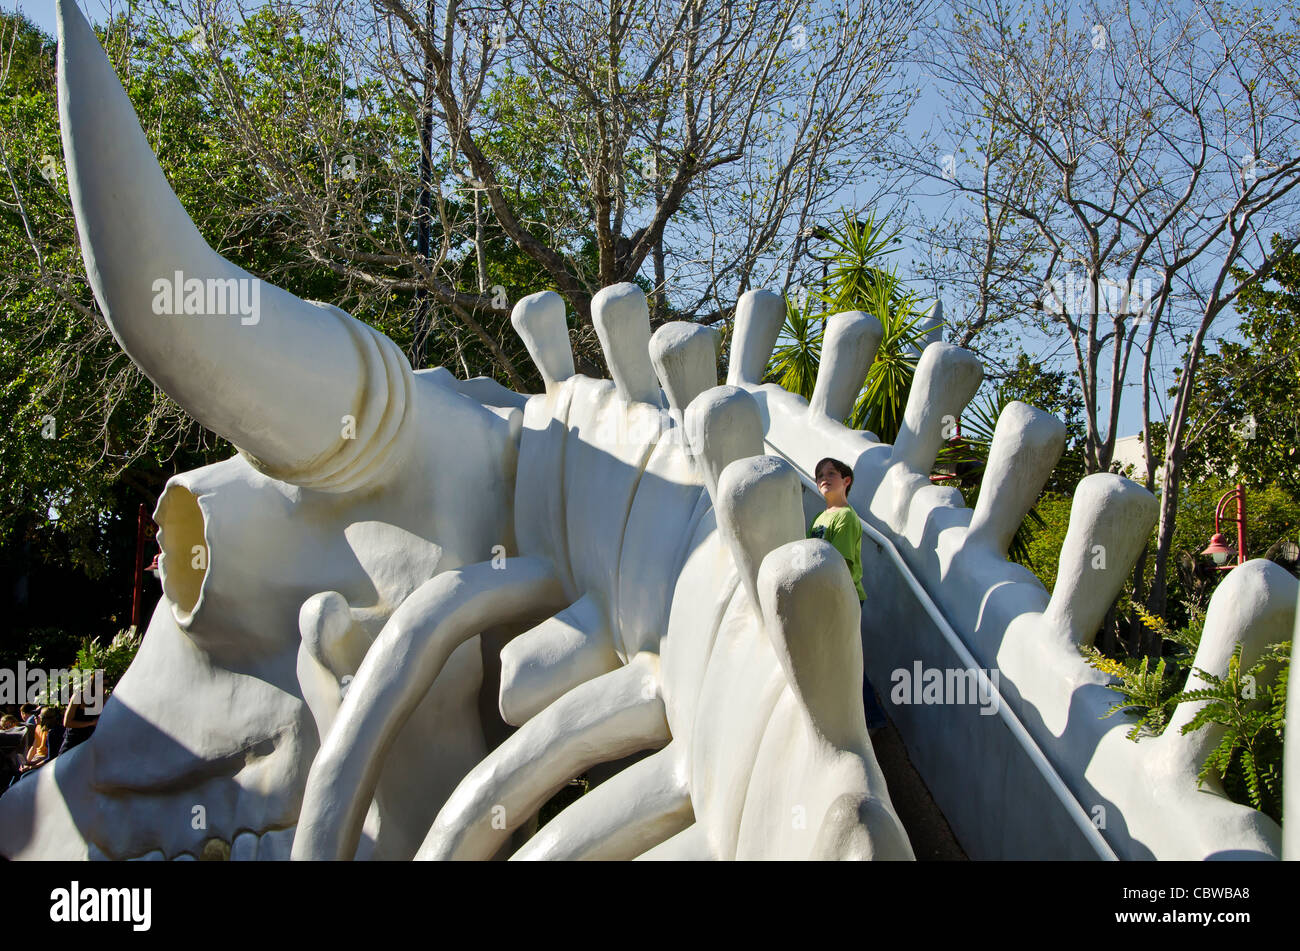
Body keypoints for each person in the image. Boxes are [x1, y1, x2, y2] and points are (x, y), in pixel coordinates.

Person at [809, 457, 888, 733]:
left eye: (831, 473)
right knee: (836, 659)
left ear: (846, 481)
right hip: (826, 597)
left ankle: (872, 716)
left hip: (844, 595)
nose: (823, 477)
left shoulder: (845, 516)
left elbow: (837, 563)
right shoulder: (820, 519)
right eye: (819, 474)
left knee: (846, 659)